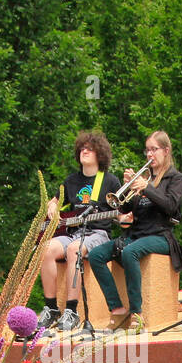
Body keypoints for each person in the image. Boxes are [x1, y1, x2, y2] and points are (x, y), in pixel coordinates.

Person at [87, 131, 182, 333]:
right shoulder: (144, 178)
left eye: (154, 149)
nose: (150, 154)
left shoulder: (174, 178)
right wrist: (128, 188)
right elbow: (124, 209)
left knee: (129, 251)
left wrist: (146, 188)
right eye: (147, 150)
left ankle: (136, 314)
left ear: (166, 151)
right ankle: (117, 308)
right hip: (137, 234)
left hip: (161, 235)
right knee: (96, 255)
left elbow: (171, 206)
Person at [40, 132, 120, 333]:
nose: (85, 151)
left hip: (98, 233)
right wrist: (52, 206)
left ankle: (72, 311)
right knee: (47, 248)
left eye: (90, 148)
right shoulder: (71, 180)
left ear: (100, 154)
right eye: (82, 148)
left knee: (74, 250)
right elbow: (56, 201)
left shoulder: (110, 181)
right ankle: (51, 308)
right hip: (72, 231)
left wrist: (124, 216)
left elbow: (122, 209)